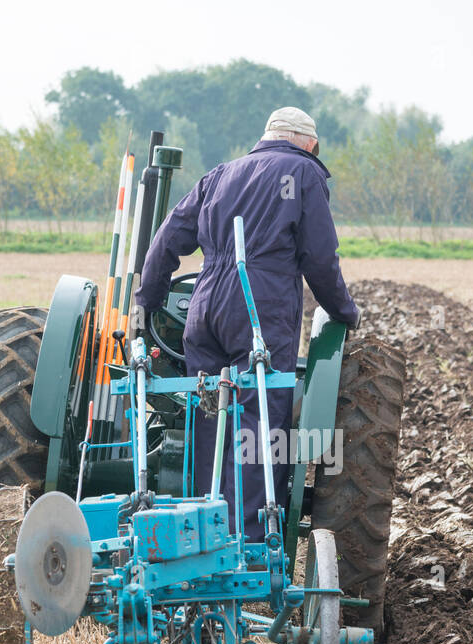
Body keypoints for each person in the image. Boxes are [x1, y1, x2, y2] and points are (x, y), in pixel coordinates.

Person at [135, 107, 360, 542]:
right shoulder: (303, 173)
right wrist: (344, 311)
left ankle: (201, 533)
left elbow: (165, 241)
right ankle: (249, 543)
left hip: (204, 308)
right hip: (259, 305)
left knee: (209, 412)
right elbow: (320, 258)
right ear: (309, 143)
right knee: (257, 421)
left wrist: (147, 304)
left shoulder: (220, 174)